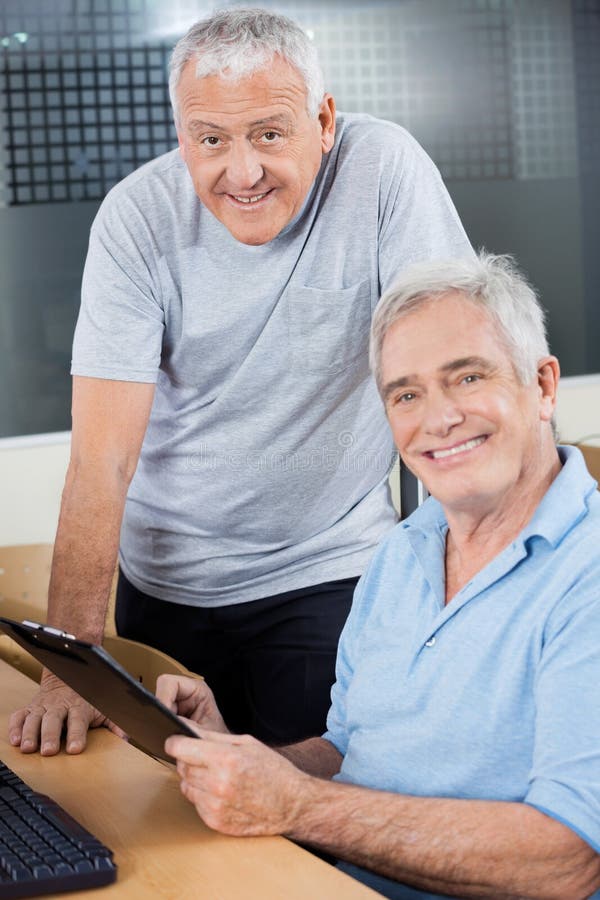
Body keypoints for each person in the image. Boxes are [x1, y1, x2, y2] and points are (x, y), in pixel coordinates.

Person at [9, 8, 471, 755]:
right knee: (182, 824)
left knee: (320, 813)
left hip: (329, 568)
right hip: (167, 583)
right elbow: (102, 461)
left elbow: (443, 375)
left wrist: (463, 589)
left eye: (269, 133)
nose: (243, 172)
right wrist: (70, 667)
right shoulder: (135, 221)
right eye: (211, 140)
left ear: (323, 119)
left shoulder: (383, 170)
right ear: (180, 135)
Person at [156, 254, 600, 900]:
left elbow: (569, 858)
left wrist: (299, 807)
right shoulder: (401, 552)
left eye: (467, 377)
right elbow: (349, 753)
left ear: (544, 386)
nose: (438, 419)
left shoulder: (587, 573)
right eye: (407, 394)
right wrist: (241, 760)